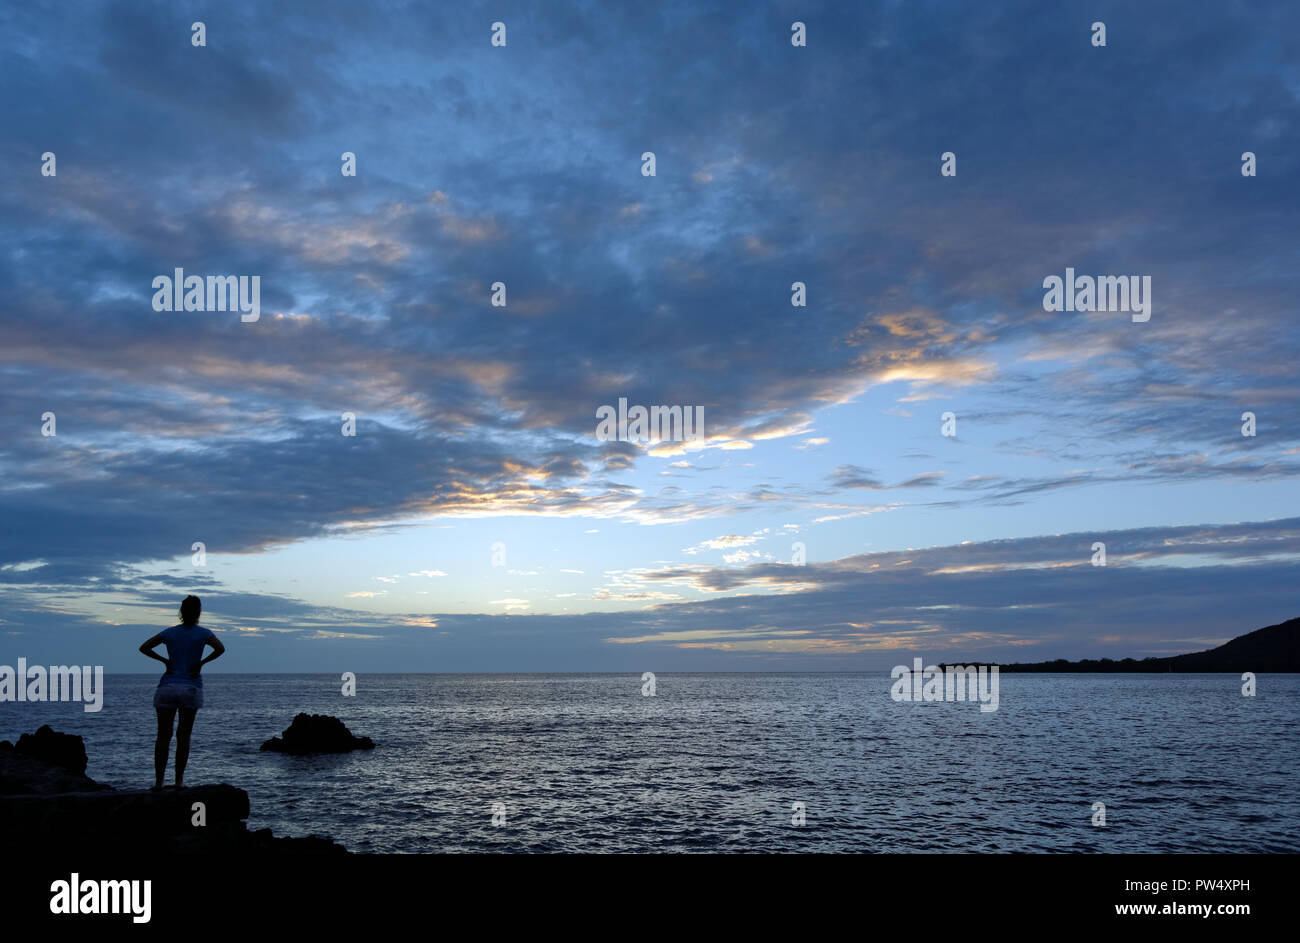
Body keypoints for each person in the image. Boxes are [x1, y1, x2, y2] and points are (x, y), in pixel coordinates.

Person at [138, 596, 225, 790]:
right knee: (183, 736)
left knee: (163, 736)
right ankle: (178, 781)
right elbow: (220, 649)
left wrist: (165, 661)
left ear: (181, 612)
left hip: (168, 686)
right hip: (190, 687)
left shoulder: (170, 633)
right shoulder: (203, 633)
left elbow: (144, 647)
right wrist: (202, 663)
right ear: (199, 612)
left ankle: (159, 782)